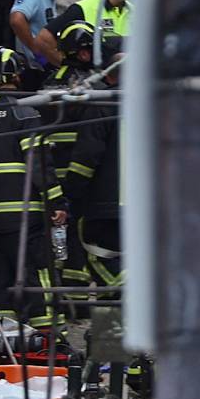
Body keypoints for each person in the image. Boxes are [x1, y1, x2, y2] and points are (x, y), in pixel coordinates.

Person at [0, 48, 65, 333]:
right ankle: (51, 342)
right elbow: (39, 164)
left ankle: (2, 345)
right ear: (18, 75)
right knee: (35, 279)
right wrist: (57, 201)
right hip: (25, 219)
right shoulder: (25, 112)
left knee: (1, 283)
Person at [62, 101, 123, 288]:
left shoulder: (101, 104)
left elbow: (86, 155)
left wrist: (70, 192)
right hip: (154, 203)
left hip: (107, 205)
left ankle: (141, 291)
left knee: (98, 256)